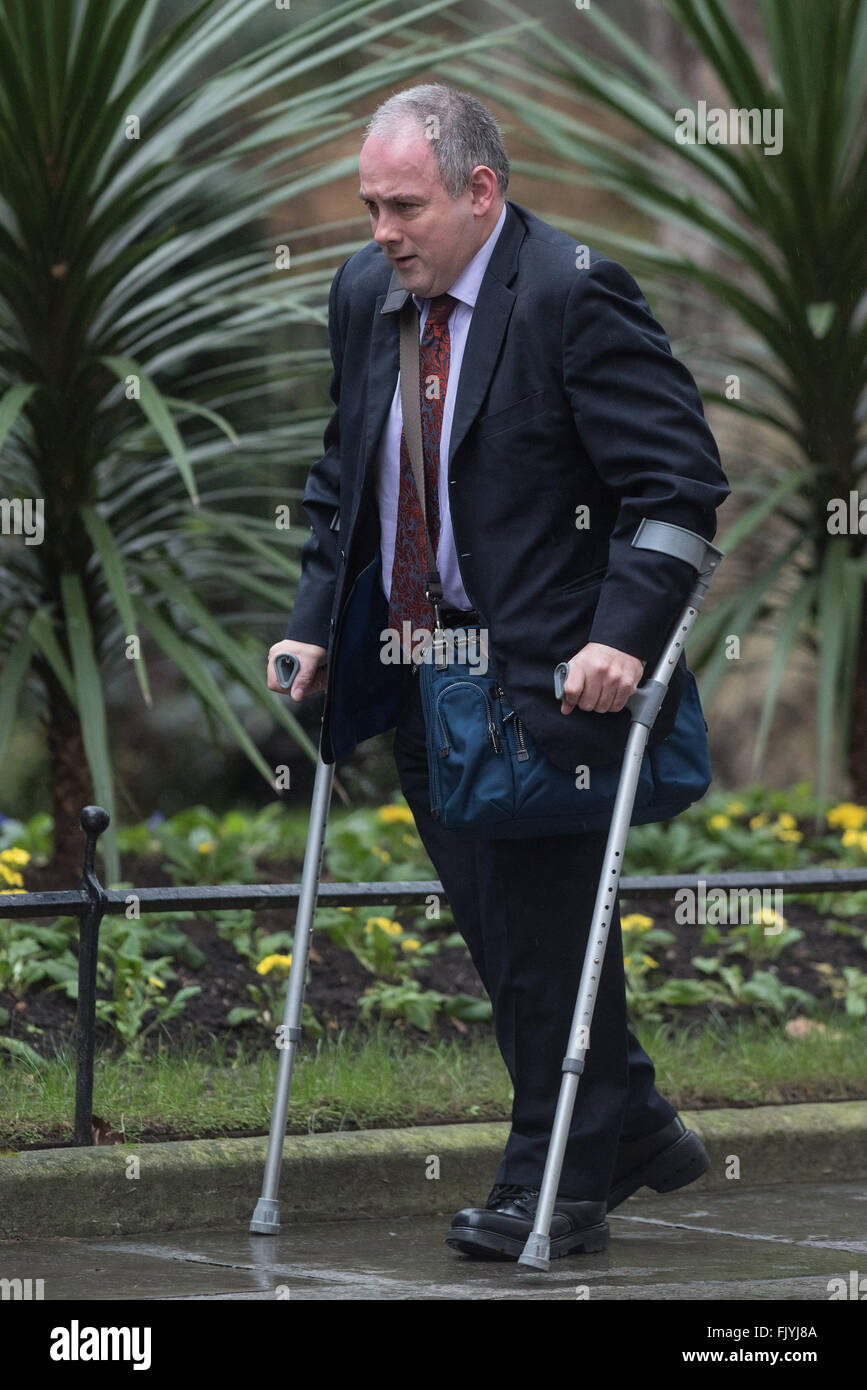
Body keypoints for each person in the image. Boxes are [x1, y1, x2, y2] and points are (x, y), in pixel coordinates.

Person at [267, 83, 731, 1261]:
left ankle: (558, 1185)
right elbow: (343, 479)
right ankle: (632, 1126)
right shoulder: (367, 293)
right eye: (370, 206)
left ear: (482, 191)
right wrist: (317, 621)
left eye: (403, 205)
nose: (380, 230)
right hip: (422, 668)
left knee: (545, 929)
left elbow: (677, 484)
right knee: (508, 933)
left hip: (553, 676)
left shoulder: (572, 293)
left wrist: (623, 634)